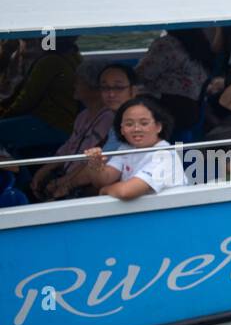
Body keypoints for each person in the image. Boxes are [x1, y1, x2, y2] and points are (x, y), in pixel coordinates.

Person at [35, 63, 137, 202]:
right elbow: (93, 161)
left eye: (118, 87)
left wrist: (66, 185)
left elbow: (101, 169)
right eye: (105, 87)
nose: (111, 93)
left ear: (133, 90)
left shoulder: (132, 123)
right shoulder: (117, 120)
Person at [84, 96, 186, 199]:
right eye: (129, 124)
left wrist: (104, 190)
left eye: (144, 123)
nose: (136, 129)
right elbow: (104, 179)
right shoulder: (127, 148)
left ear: (158, 127)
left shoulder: (165, 155)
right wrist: (95, 165)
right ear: (122, 129)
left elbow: (126, 192)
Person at [0, 35, 81, 155]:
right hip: (67, 121)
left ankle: (18, 170)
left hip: (53, 124)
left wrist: (3, 114)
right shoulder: (75, 56)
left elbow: (26, 101)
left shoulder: (49, 62)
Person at [134, 29, 215, 134]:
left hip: (171, 109)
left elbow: (142, 74)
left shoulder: (166, 44)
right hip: (193, 110)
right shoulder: (200, 43)